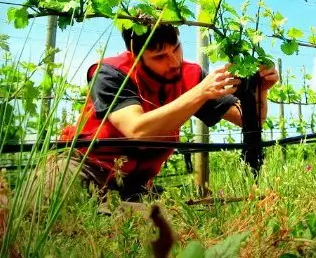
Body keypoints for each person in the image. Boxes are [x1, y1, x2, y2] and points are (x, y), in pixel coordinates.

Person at [54, 23, 278, 201]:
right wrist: (201, 92)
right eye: (159, 56)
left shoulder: (190, 75)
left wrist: (259, 92)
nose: (174, 61)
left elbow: (245, 119)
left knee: (162, 227)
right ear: (136, 55)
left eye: (176, 48)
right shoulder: (111, 74)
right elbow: (137, 130)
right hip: (84, 168)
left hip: (137, 184)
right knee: (41, 209)